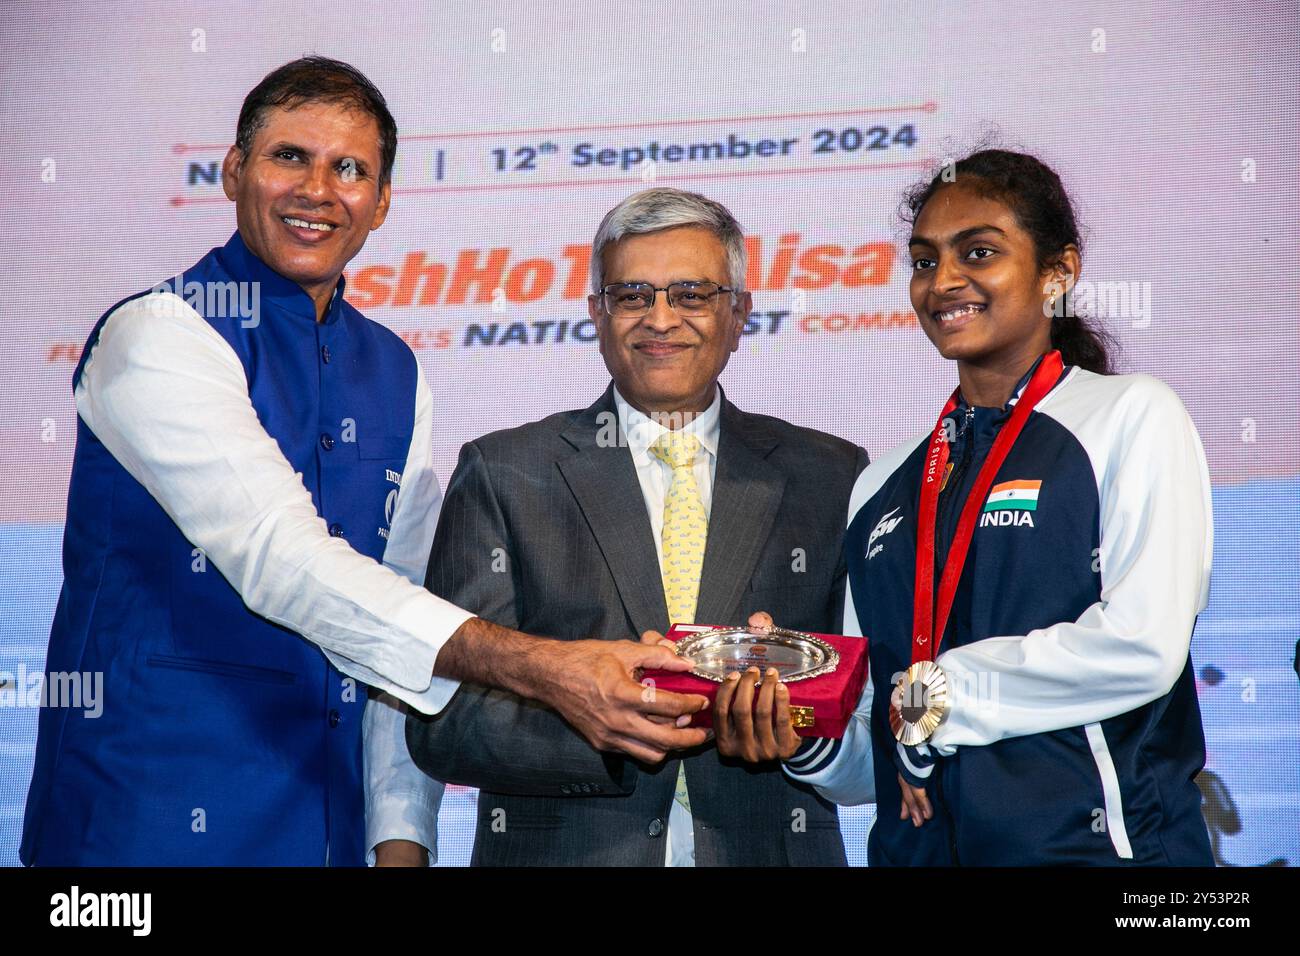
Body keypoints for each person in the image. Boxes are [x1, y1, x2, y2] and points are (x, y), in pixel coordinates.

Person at [20, 57, 706, 867]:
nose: (318, 190)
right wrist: (547, 668)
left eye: (349, 169)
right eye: (289, 157)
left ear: (380, 201)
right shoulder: (156, 336)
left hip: (327, 832)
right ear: (234, 170)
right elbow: (288, 564)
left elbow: (400, 610)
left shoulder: (394, 369)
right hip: (140, 830)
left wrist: (400, 837)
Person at [727, 149, 1215, 865]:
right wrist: (804, 732)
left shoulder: (1130, 416)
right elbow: (882, 752)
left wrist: (944, 691)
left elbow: (1143, 647)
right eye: (924, 261)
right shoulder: (883, 483)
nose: (943, 281)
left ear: (1059, 271)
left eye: (978, 251)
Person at [369, 187, 869, 866]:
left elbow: (867, 713)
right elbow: (444, 721)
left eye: (691, 294)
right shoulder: (505, 471)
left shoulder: (832, 475)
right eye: (632, 295)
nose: (660, 320)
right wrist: (599, 721)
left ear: (739, 313)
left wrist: (801, 731)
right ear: (596, 316)